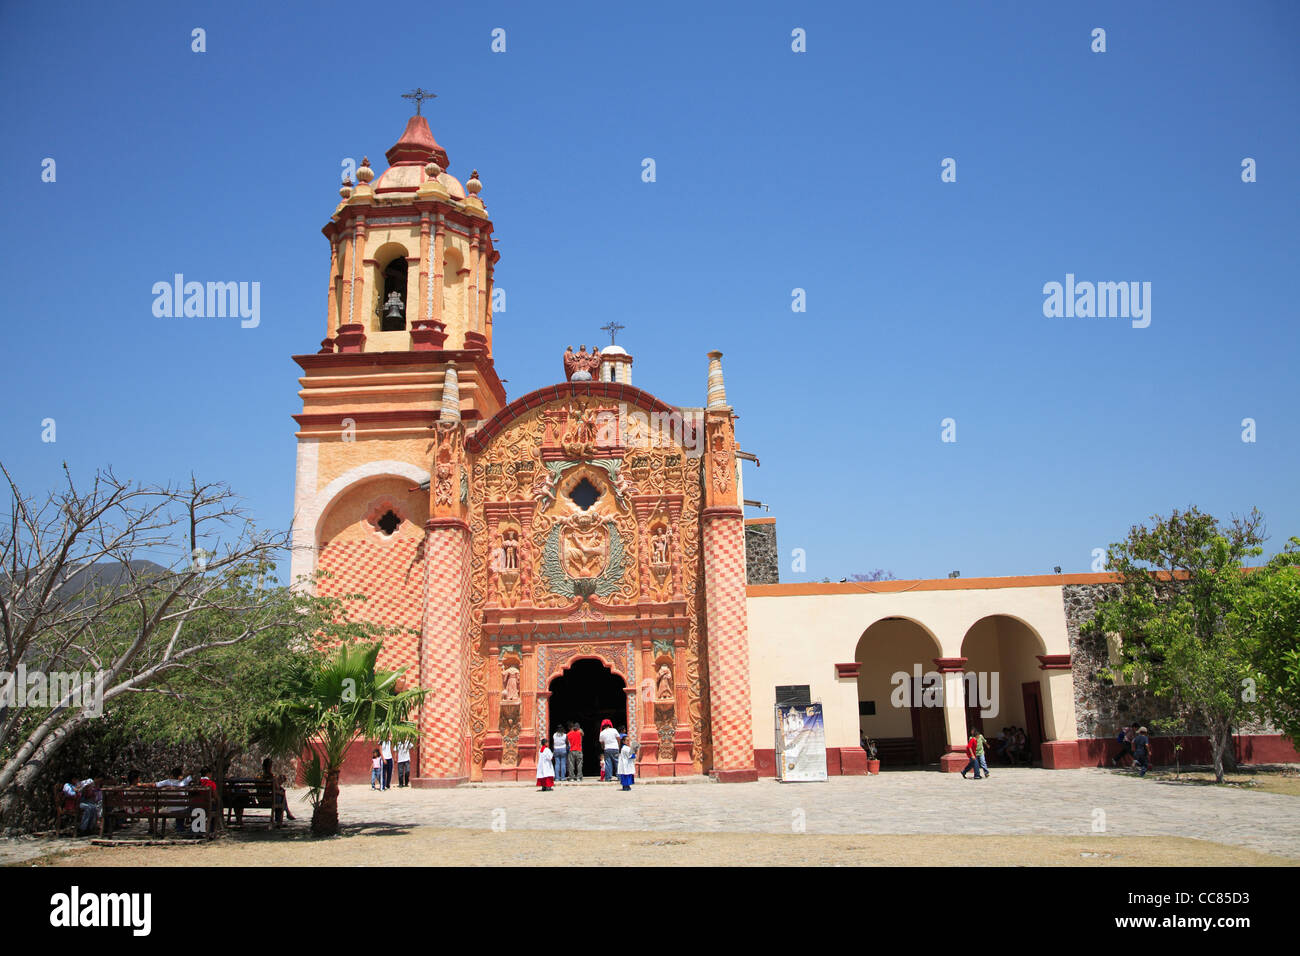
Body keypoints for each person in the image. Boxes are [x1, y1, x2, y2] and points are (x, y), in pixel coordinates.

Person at [599, 719, 620, 785]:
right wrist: (618, 746)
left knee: (608, 763)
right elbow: (618, 738)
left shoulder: (602, 732)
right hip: (615, 748)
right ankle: (619, 776)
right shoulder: (614, 730)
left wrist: (603, 747)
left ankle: (608, 777)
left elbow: (601, 742)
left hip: (607, 749)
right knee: (617, 762)